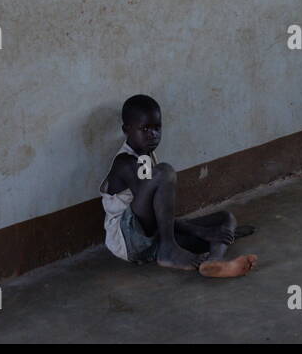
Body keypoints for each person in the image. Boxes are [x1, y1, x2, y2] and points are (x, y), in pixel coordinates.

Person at [100, 94, 258, 278]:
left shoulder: (145, 156)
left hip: (150, 237)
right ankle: (169, 249)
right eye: (145, 129)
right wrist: (200, 230)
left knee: (225, 218)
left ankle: (214, 261)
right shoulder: (126, 163)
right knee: (164, 172)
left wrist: (205, 232)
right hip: (128, 240)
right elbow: (151, 213)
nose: (153, 134)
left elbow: (160, 219)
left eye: (157, 128)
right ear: (126, 130)